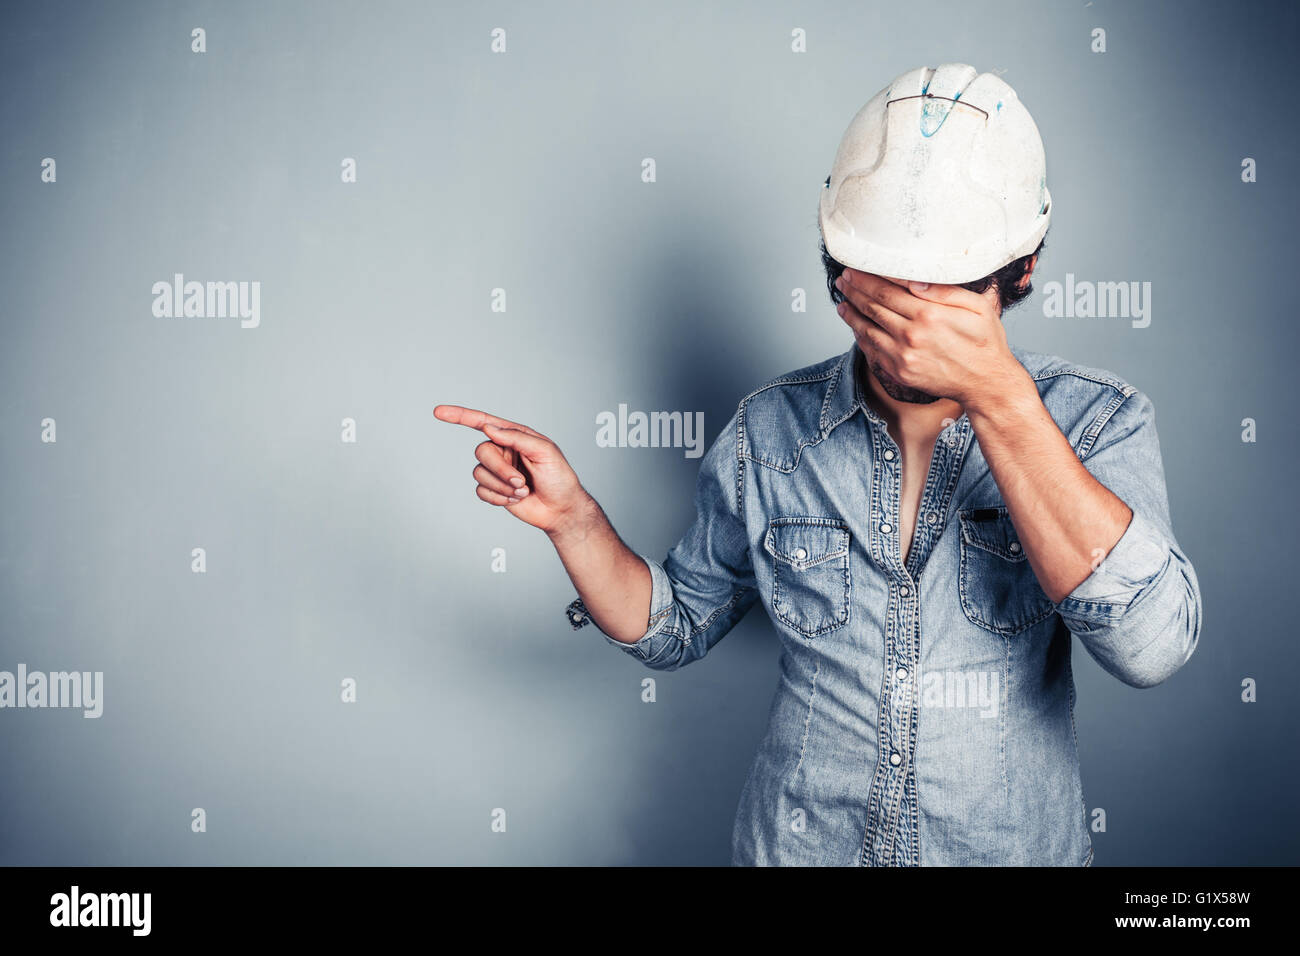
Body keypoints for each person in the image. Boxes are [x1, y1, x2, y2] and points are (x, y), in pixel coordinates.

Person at [434, 63, 1202, 866]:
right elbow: (677, 628)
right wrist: (575, 521)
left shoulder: (1095, 419)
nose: (911, 323)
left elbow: (1151, 648)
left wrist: (998, 397)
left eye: (945, 293)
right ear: (836, 262)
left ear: (1022, 271)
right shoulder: (769, 432)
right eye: (886, 288)